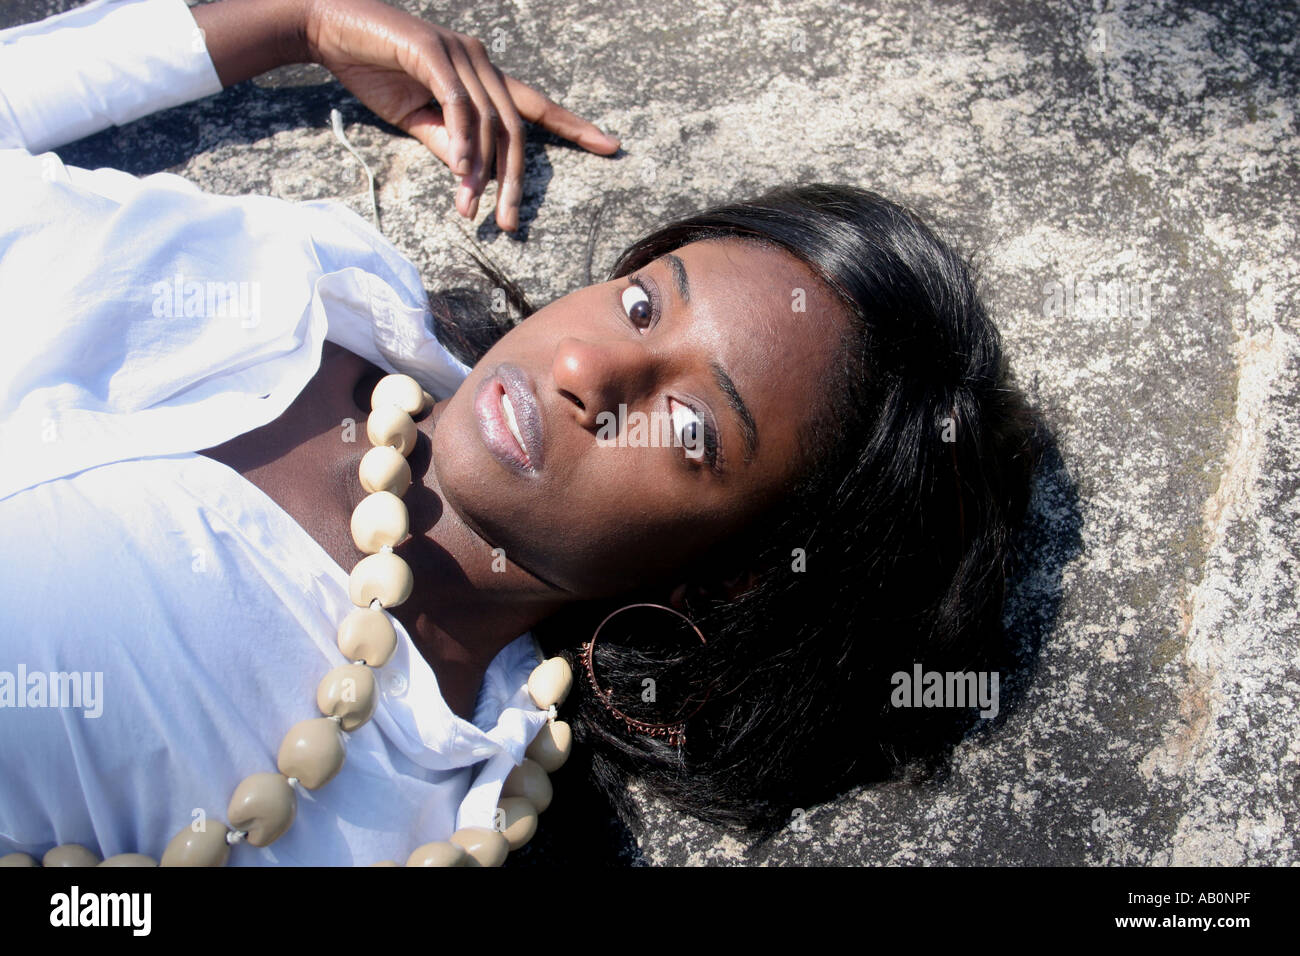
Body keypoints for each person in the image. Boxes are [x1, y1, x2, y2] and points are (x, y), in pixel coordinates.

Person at [0, 0, 1041, 865]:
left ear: (725, 580)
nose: (585, 368)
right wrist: (287, 24)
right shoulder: (317, 284)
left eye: (685, 423)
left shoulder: (394, 811)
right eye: (641, 304)